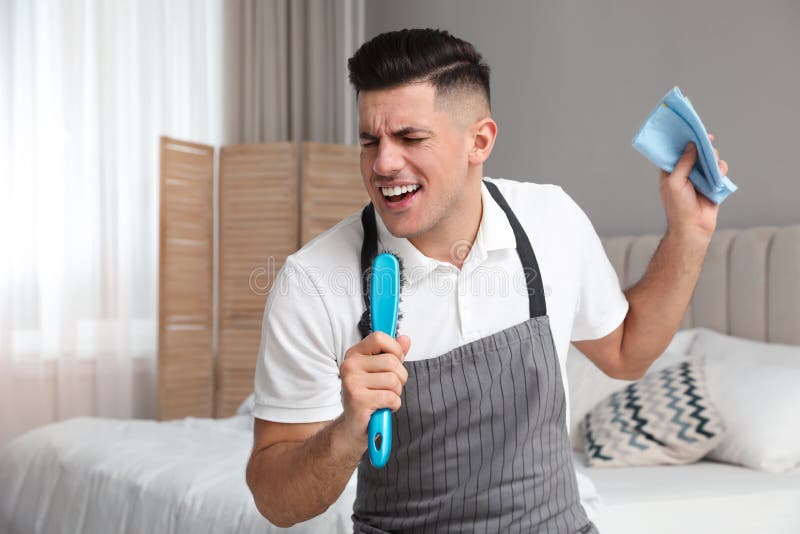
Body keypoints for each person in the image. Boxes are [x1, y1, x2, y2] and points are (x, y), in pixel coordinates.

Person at [245, 28, 729, 533]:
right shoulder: (313, 281)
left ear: (480, 141)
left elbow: (628, 352)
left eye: (410, 138)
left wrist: (689, 233)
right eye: (371, 140)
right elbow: (277, 503)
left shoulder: (551, 219)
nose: (384, 163)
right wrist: (347, 431)